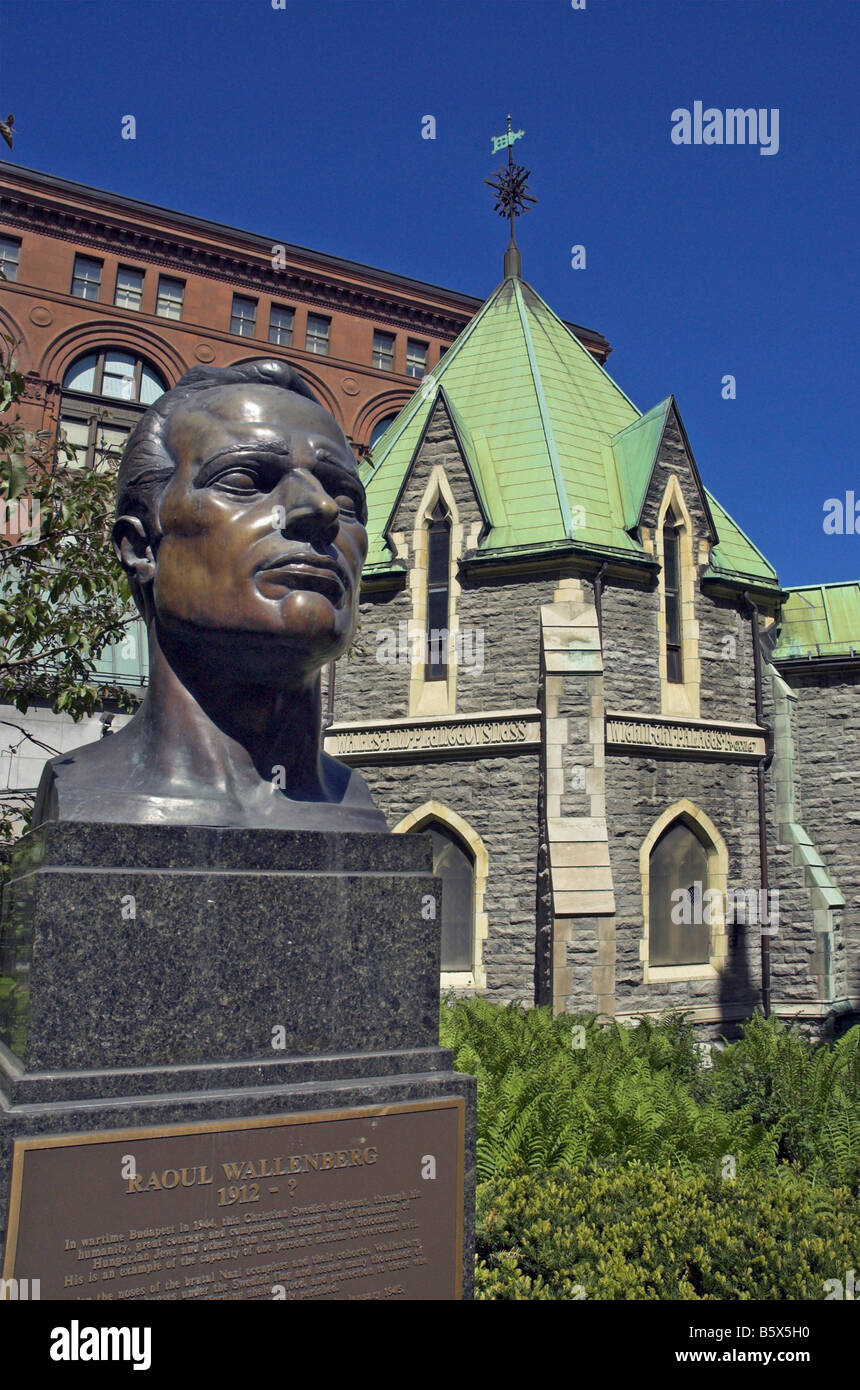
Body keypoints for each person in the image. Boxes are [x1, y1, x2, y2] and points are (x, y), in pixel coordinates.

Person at [32, 359, 387, 832]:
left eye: (344, 497)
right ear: (140, 548)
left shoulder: (358, 807)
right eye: (243, 480)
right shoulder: (81, 792)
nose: (321, 509)